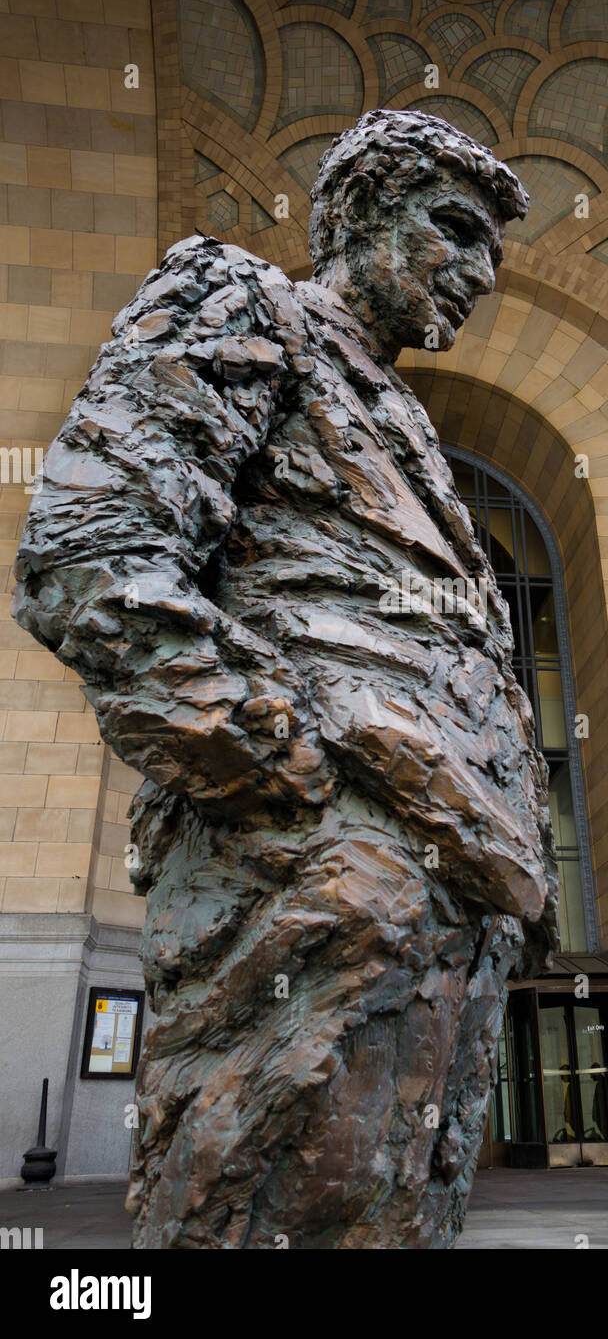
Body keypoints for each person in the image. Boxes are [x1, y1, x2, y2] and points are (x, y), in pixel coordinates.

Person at [13, 110, 558, 1249]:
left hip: (451, 905)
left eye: (492, 257)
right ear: (357, 211)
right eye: (451, 230)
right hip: (323, 882)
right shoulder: (241, 301)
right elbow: (91, 555)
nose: (475, 275)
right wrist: (299, 782)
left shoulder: (402, 417)